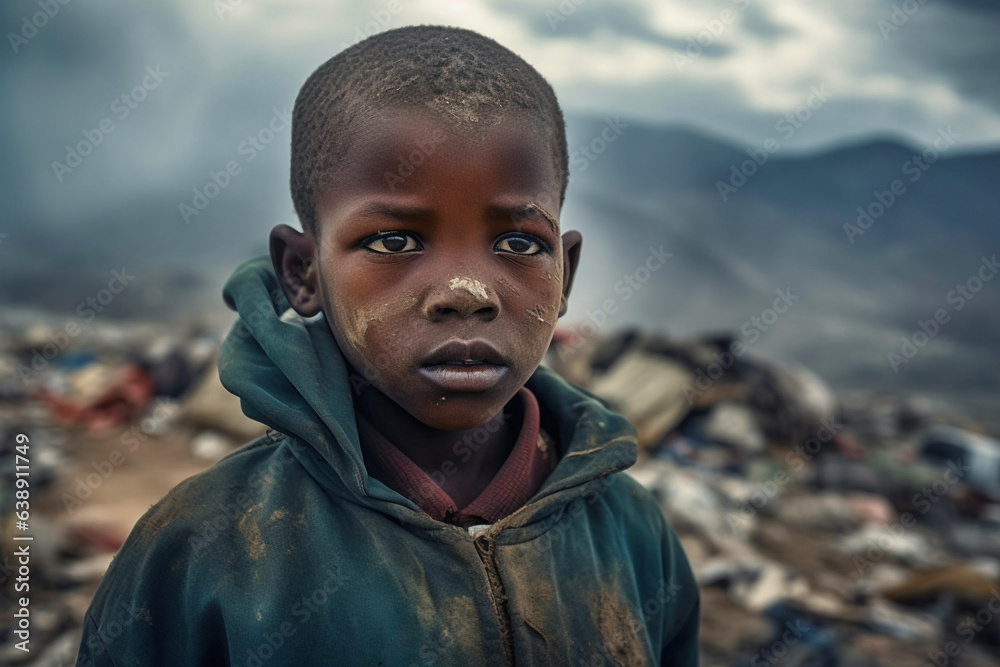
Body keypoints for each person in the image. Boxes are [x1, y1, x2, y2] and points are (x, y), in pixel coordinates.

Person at [77, 25, 699, 666]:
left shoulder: (631, 533)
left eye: (518, 244)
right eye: (394, 241)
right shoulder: (202, 547)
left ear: (564, 273)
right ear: (303, 273)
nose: (465, 292)